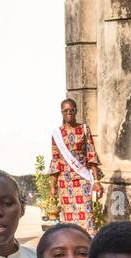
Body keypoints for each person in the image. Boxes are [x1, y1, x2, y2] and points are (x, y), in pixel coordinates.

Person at [49, 98, 103, 233]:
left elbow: (91, 155)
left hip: (82, 179)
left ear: (76, 111)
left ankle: (90, 250)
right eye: (66, 111)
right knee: (69, 222)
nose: (69, 113)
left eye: (72, 110)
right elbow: (55, 160)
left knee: (87, 218)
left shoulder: (84, 129)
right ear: (61, 112)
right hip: (64, 183)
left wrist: (96, 181)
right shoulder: (57, 134)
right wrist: (52, 187)